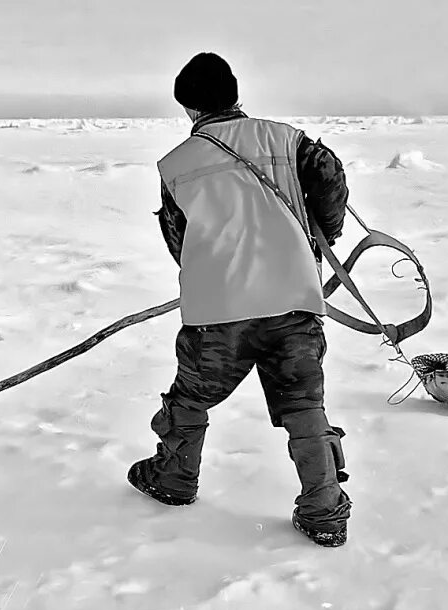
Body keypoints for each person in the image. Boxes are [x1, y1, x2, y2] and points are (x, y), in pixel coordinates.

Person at [127, 52, 352, 547]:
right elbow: (330, 178)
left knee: (190, 397)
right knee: (303, 405)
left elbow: (177, 239)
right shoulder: (287, 140)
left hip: (217, 311)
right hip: (294, 299)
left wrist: (211, 269)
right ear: (234, 95)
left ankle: (174, 478)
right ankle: (324, 510)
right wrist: (322, 237)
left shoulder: (177, 164)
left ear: (189, 107)